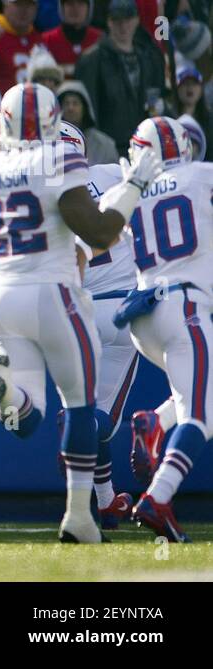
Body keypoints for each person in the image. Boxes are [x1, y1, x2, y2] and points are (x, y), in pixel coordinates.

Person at [0, 83, 161, 543]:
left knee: (27, 416)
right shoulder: (68, 164)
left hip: (2, 298)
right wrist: (133, 186)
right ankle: (78, 517)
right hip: (57, 295)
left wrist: (10, 279)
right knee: (79, 407)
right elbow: (101, 233)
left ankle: (11, 397)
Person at [113, 117, 213, 543]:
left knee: (192, 391)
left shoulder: (129, 194)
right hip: (184, 306)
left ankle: (154, 422)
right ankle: (159, 495)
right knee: (203, 416)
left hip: (143, 313)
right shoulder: (202, 175)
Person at [55, 120, 138, 530]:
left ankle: (105, 502)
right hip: (122, 312)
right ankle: (79, 427)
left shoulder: (43, 196)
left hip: (74, 312)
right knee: (100, 421)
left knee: (88, 409)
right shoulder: (110, 173)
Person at [74, 0, 167, 155]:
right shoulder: (92, 59)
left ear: (137, 20)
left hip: (145, 145)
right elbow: (88, 109)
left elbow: (157, 96)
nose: (123, 26)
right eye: (117, 21)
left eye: (128, 20)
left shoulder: (149, 57)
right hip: (110, 147)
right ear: (109, 22)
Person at [56, 80, 118, 165]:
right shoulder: (50, 141)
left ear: (85, 108)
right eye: (66, 103)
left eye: (75, 103)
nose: (70, 108)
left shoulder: (105, 145)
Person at [42, 0, 100, 76]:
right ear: (62, 8)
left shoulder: (99, 40)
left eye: (81, 3)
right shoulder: (47, 40)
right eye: (70, 3)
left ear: (89, 8)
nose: (75, 9)